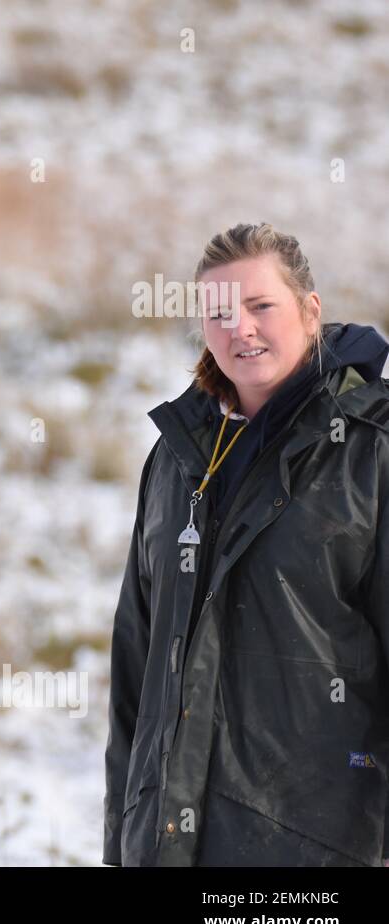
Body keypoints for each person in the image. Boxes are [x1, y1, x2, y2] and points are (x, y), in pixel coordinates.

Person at [103, 222, 389, 866]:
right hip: (168, 843)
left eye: (261, 306)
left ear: (310, 310)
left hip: (318, 845)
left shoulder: (372, 450)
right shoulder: (177, 457)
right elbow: (136, 666)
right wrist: (120, 840)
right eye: (220, 313)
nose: (241, 329)